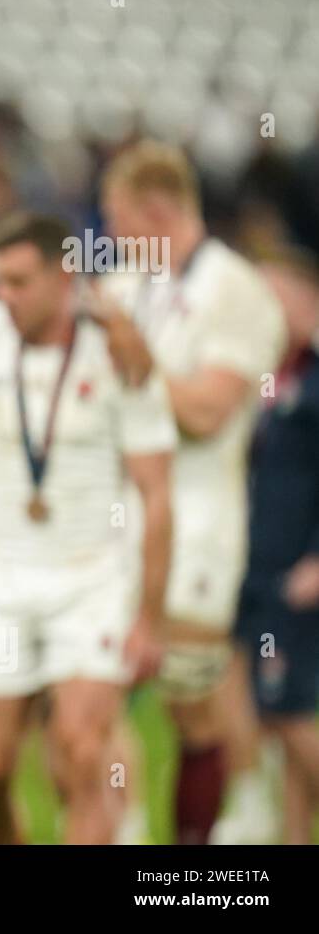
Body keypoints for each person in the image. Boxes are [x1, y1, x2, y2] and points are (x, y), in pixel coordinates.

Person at [0, 212, 174, 844]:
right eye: (0, 282)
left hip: (90, 582)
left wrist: (149, 618)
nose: (8, 296)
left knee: (79, 755)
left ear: (64, 274)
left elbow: (157, 493)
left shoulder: (120, 356)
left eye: (22, 281)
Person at [95, 141, 287, 843]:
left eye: (117, 219)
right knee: (96, 690)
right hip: (113, 521)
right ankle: (130, 828)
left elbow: (208, 412)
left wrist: (137, 362)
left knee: (193, 701)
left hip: (200, 523)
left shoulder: (235, 290)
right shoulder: (123, 285)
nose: (110, 236)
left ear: (155, 209)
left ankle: (216, 830)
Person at [235, 246, 319, 844]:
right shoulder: (272, 376)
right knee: (275, 716)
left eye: (273, 299)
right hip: (263, 570)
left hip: (299, 572)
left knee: (289, 715)